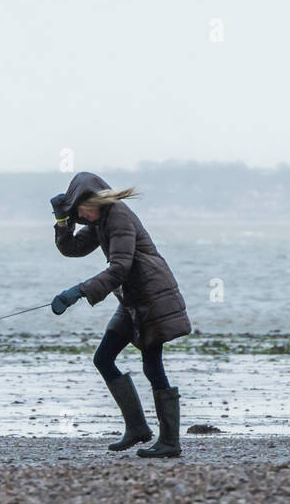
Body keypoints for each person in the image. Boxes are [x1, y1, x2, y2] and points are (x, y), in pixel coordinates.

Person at [50, 172, 191, 457]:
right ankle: (137, 428)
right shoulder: (100, 219)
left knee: (152, 365)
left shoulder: (118, 216)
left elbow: (120, 267)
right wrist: (61, 221)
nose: (81, 218)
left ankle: (170, 443)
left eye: (79, 213)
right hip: (132, 299)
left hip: (152, 295)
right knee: (103, 358)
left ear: (91, 201)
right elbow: (73, 249)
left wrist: (79, 291)